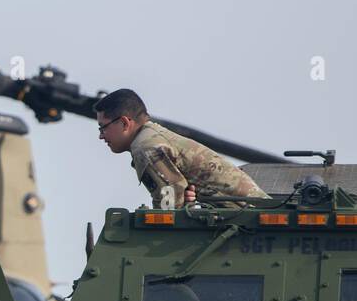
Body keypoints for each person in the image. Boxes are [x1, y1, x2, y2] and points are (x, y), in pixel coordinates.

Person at [94, 88, 268, 210]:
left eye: (103, 127)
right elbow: (177, 198)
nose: (101, 136)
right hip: (247, 212)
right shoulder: (152, 137)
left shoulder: (146, 147)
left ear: (124, 123)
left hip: (247, 217)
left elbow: (169, 212)